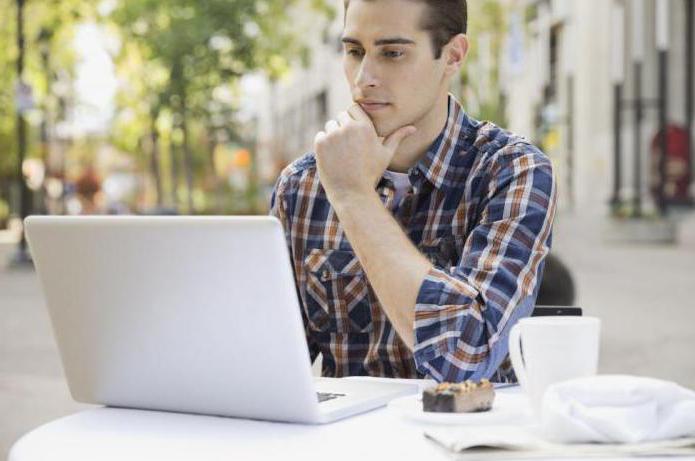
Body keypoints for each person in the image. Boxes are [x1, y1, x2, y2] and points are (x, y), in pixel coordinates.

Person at [270, 0, 557, 383]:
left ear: (452, 56)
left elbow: (463, 359)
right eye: (355, 51)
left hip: (465, 435)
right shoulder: (302, 185)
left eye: (392, 53)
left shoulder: (512, 171)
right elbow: (270, 363)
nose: (363, 79)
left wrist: (354, 196)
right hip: (346, 440)